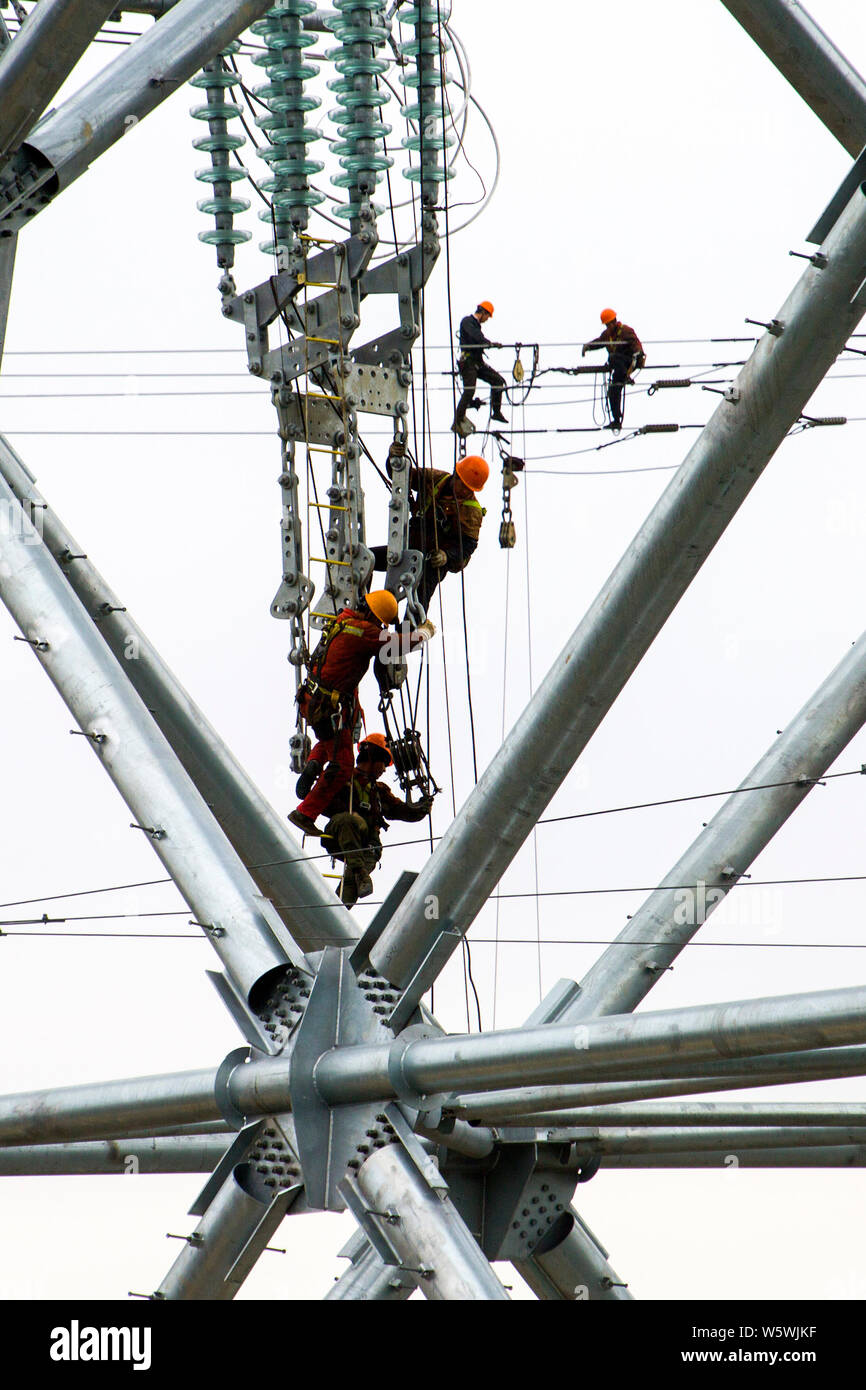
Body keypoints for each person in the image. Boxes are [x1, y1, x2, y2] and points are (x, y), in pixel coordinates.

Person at [288, 592, 434, 837]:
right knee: (343, 765)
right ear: (372, 616)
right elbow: (398, 644)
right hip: (326, 707)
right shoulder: (363, 631)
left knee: (332, 745)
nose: (378, 627)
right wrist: (425, 632)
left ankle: (314, 763)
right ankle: (304, 813)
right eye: (379, 623)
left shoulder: (342, 620)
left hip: (314, 701)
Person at [319, 732, 433, 907]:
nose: (385, 769)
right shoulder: (343, 777)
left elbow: (399, 810)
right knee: (348, 820)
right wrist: (327, 778)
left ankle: (333, 913)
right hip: (340, 835)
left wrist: (420, 808)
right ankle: (360, 872)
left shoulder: (379, 791)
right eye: (383, 763)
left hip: (367, 846)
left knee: (352, 884)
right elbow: (321, 802)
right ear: (372, 758)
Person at [370, 445, 489, 611]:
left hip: (433, 559)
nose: (464, 491)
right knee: (368, 558)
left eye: (469, 489)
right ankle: (362, 609)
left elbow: (468, 545)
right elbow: (404, 477)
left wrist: (446, 556)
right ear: (456, 476)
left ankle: (407, 632)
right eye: (463, 485)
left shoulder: (471, 510)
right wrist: (394, 459)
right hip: (412, 545)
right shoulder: (436, 479)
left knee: (421, 591)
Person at [582, 308, 645, 431]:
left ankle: (626, 377)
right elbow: (599, 342)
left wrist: (638, 353)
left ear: (614, 321)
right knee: (613, 391)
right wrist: (588, 346)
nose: (608, 327)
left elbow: (636, 345)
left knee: (613, 357)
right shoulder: (607, 335)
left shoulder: (626, 331)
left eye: (609, 324)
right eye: (606, 325)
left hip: (628, 363)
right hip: (619, 369)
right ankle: (616, 421)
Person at [452, 299, 507, 433]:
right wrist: (490, 343)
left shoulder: (475, 325)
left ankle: (496, 412)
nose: (487, 319)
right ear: (483, 313)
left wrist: (490, 344)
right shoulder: (467, 322)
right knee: (469, 390)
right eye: (487, 316)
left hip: (477, 362)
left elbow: (479, 339)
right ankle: (458, 419)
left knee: (498, 381)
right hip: (468, 362)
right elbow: (477, 338)